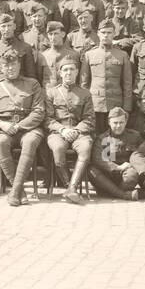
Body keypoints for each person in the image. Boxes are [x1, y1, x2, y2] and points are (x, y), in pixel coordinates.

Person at [0, 47, 47, 207]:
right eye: (6, 66)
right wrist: (2, 124)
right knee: (0, 142)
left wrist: (19, 126)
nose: (10, 68)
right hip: (3, 128)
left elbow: (39, 112)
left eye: (13, 65)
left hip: (28, 127)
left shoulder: (32, 84)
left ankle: (15, 191)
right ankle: (20, 192)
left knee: (30, 142)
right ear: (1, 68)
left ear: (19, 65)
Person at [45, 58, 95, 205]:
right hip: (58, 133)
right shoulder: (51, 93)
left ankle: (71, 189)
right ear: (60, 73)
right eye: (65, 70)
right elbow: (47, 119)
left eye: (72, 69)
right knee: (58, 148)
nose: (68, 73)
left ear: (77, 72)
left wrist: (77, 130)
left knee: (85, 148)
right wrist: (62, 129)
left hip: (80, 133)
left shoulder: (85, 93)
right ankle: (69, 187)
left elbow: (89, 119)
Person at [80, 19, 132, 135]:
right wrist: (84, 106)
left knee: (112, 137)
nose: (106, 35)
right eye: (103, 32)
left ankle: (109, 155)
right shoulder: (89, 55)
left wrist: (127, 107)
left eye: (109, 32)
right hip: (95, 104)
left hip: (115, 104)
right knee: (95, 136)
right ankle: (98, 154)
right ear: (98, 33)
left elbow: (127, 83)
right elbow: (84, 83)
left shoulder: (122, 55)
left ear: (114, 34)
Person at [89, 106, 142, 201]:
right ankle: (123, 195)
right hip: (108, 176)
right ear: (109, 122)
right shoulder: (103, 138)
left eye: (121, 122)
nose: (118, 126)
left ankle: (110, 192)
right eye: (115, 123)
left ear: (126, 122)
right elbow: (98, 159)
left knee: (132, 175)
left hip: (125, 175)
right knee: (92, 171)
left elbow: (141, 155)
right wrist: (117, 167)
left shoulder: (135, 136)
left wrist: (131, 165)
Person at [0, 11, 39, 97]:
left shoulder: (25, 47)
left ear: (14, 26)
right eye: (3, 26)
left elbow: (31, 75)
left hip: (21, 91)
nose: (7, 29)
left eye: (9, 25)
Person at [38, 21, 81, 91]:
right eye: (50, 34)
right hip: (48, 96)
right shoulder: (43, 56)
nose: (53, 37)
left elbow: (78, 78)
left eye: (56, 34)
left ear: (63, 34)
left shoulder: (74, 54)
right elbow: (39, 78)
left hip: (68, 94)